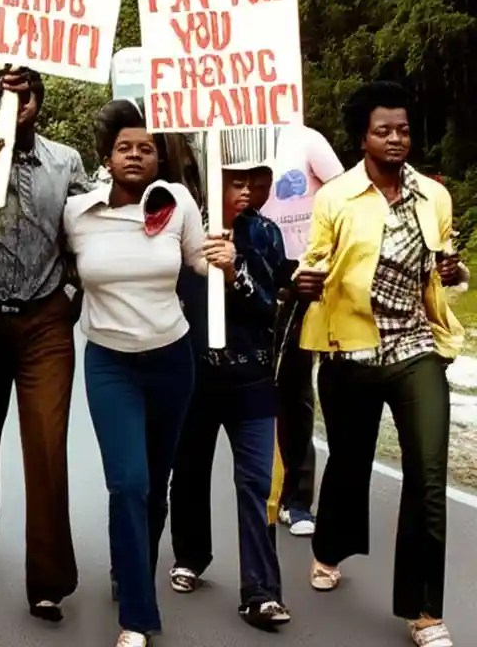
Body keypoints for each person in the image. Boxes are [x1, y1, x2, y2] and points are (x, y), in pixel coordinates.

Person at [295, 81, 464, 647]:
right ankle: (328, 548)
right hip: (351, 352)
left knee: (428, 475)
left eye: (403, 130)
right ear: (362, 137)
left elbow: (443, 266)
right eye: (383, 130)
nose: (396, 139)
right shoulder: (336, 197)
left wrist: (454, 275)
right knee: (349, 462)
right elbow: (314, 264)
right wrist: (304, 281)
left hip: (416, 348)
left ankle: (424, 611)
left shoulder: (432, 196)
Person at [63, 99, 234, 647]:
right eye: (124, 148)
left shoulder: (179, 201)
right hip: (110, 363)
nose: (136, 155)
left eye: (146, 147)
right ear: (107, 158)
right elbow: (60, 272)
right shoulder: (78, 213)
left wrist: (225, 262)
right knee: (128, 483)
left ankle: (127, 566)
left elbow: (200, 266)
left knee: (155, 486)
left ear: (160, 156)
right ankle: (137, 616)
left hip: (171, 360)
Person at [0, 67, 89, 622]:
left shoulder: (68, 163)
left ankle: (49, 580)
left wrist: (70, 290)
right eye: (6, 93)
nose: (18, 101)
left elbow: (89, 230)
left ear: (41, 100)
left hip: (44, 321)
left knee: (45, 445)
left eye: (26, 92)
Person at [167, 160, 292, 629]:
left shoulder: (264, 233)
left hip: (253, 377)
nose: (245, 191)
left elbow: (270, 306)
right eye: (234, 182)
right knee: (190, 470)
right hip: (195, 375)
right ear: (213, 182)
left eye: (251, 183)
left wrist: (234, 271)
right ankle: (190, 557)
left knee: (257, 484)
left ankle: (261, 591)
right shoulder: (183, 228)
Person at [260, 126, 344, 537]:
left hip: (303, 272)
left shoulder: (306, 139)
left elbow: (345, 196)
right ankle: (261, 490)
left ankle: (298, 497)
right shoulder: (230, 136)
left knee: (294, 386)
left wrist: (326, 256)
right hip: (251, 268)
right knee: (257, 385)